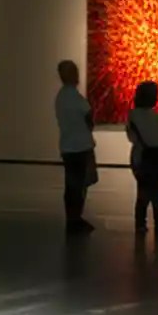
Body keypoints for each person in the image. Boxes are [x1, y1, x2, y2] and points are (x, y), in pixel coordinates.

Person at [126, 81, 158, 238]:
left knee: (143, 192)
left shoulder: (133, 116)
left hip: (142, 157)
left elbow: (131, 137)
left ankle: (141, 224)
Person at [55, 60, 97, 234]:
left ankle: (72, 218)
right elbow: (89, 119)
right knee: (79, 185)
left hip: (68, 146)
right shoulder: (75, 97)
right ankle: (75, 219)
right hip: (80, 147)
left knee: (72, 185)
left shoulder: (61, 97)